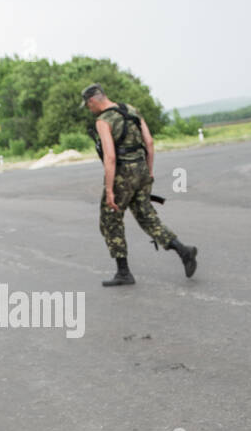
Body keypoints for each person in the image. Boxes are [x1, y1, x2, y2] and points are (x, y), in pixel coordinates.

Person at [82, 84, 197, 286]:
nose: (88, 109)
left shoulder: (103, 121)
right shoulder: (131, 110)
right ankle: (183, 250)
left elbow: (110, 157)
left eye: (87, 105)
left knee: (110, 220)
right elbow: (150, 143)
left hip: (123, 174)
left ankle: (123, 272)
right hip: (142, 169)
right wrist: (149, 172)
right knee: (147, 217)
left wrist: (109, 190)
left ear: (92, 101)